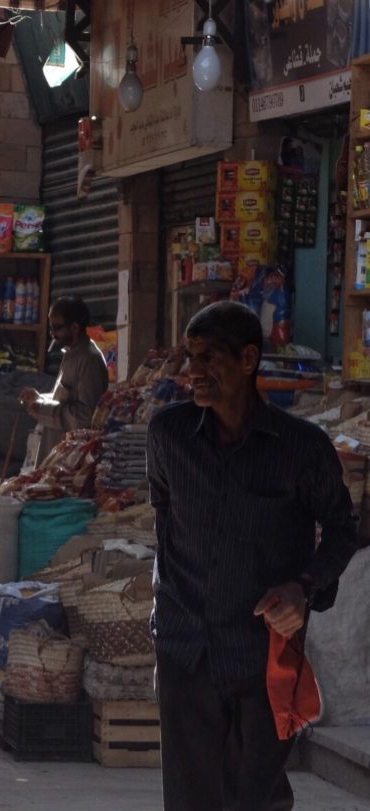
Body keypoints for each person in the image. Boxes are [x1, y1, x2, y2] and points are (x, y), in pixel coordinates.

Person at [146, 301, 362, 811]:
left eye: (207, 357)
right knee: (190, 797)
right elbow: (164, 516)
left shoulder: (301, 448)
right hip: (185, 648)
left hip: (263, 654)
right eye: (188, 357)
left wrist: (304, 589)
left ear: (247, 360)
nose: (192, 371)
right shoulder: (168, 435)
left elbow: (341, 528)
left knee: (255, 797)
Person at [20, 296, 109, 462]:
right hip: (59, 458)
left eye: (57, 328)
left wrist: (43, 409)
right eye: (51, 328)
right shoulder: (71, 354)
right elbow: (65, 399)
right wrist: (39, 399)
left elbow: (85, 417)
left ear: (75, 327)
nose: (52, 334)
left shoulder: (89, 360)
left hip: (73, 462)